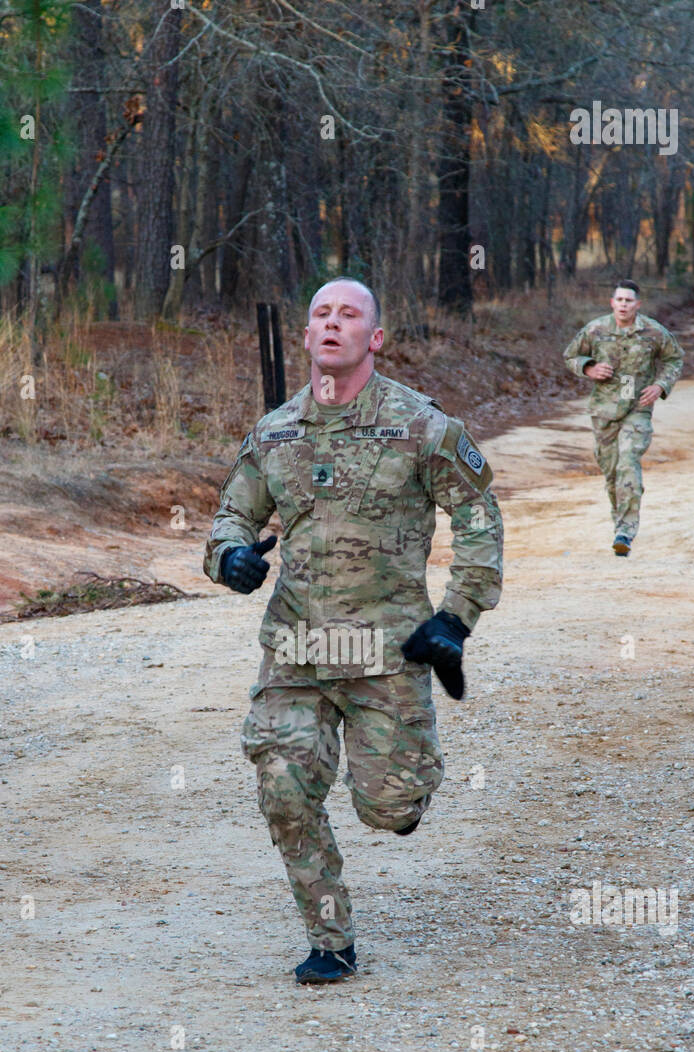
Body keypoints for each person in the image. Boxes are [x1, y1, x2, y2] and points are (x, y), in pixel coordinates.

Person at [204, 278, 503, 983]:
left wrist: (455, 617)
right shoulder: (274, 432)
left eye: (349, 315)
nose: (332, 323)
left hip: (387, 652)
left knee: (388, 808)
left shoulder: (422, 427)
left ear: (374, 338)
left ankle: (402, 794)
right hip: (297, 651)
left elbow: (480, 523)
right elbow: (230, 518)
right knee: (282, 781)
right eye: (320, 315)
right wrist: (231, 557)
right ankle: (329, 938)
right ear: (306, 338)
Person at [563, 280, 684, 555]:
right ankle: (619, 522)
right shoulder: (596, 329)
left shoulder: (654, 332)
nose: (624, 305)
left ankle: (626, 532)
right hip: (604, 411)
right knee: (611, 472)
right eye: (619, 300)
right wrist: (589, 367)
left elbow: (674, 359)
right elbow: (571, 355)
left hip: (637, 409)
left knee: (628, 462)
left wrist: (660, 386)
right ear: (612, 303)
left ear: (637, 305)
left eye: (629, 301)